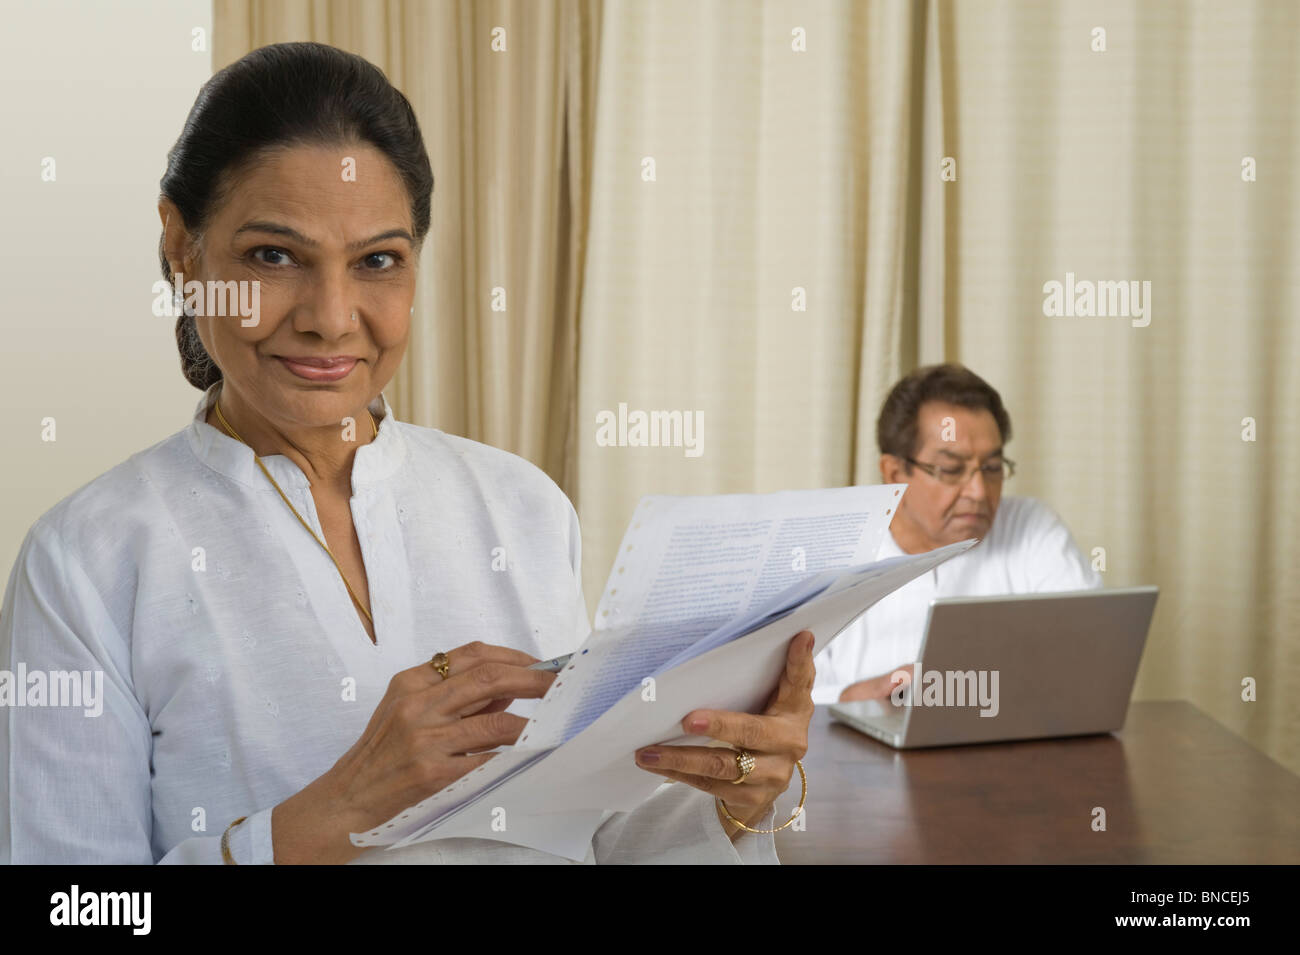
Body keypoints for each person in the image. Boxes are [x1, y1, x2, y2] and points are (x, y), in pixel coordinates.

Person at [0, 41, 812, 864]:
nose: (331, 316)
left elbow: (609, 835)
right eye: (274, 256)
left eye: (376, 261)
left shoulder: (522, 507)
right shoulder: (87, 560)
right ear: (182, 244)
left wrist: (731, 799)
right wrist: (334, 812)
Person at [812, 363, 1102, 704]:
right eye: (951, 470)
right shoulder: (832, 552)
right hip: (855, 753)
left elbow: (1091, 657)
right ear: (893, 473)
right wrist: (854, 697)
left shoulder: (1031, 528)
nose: (979, 491)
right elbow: (782, 702)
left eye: (992, 468)